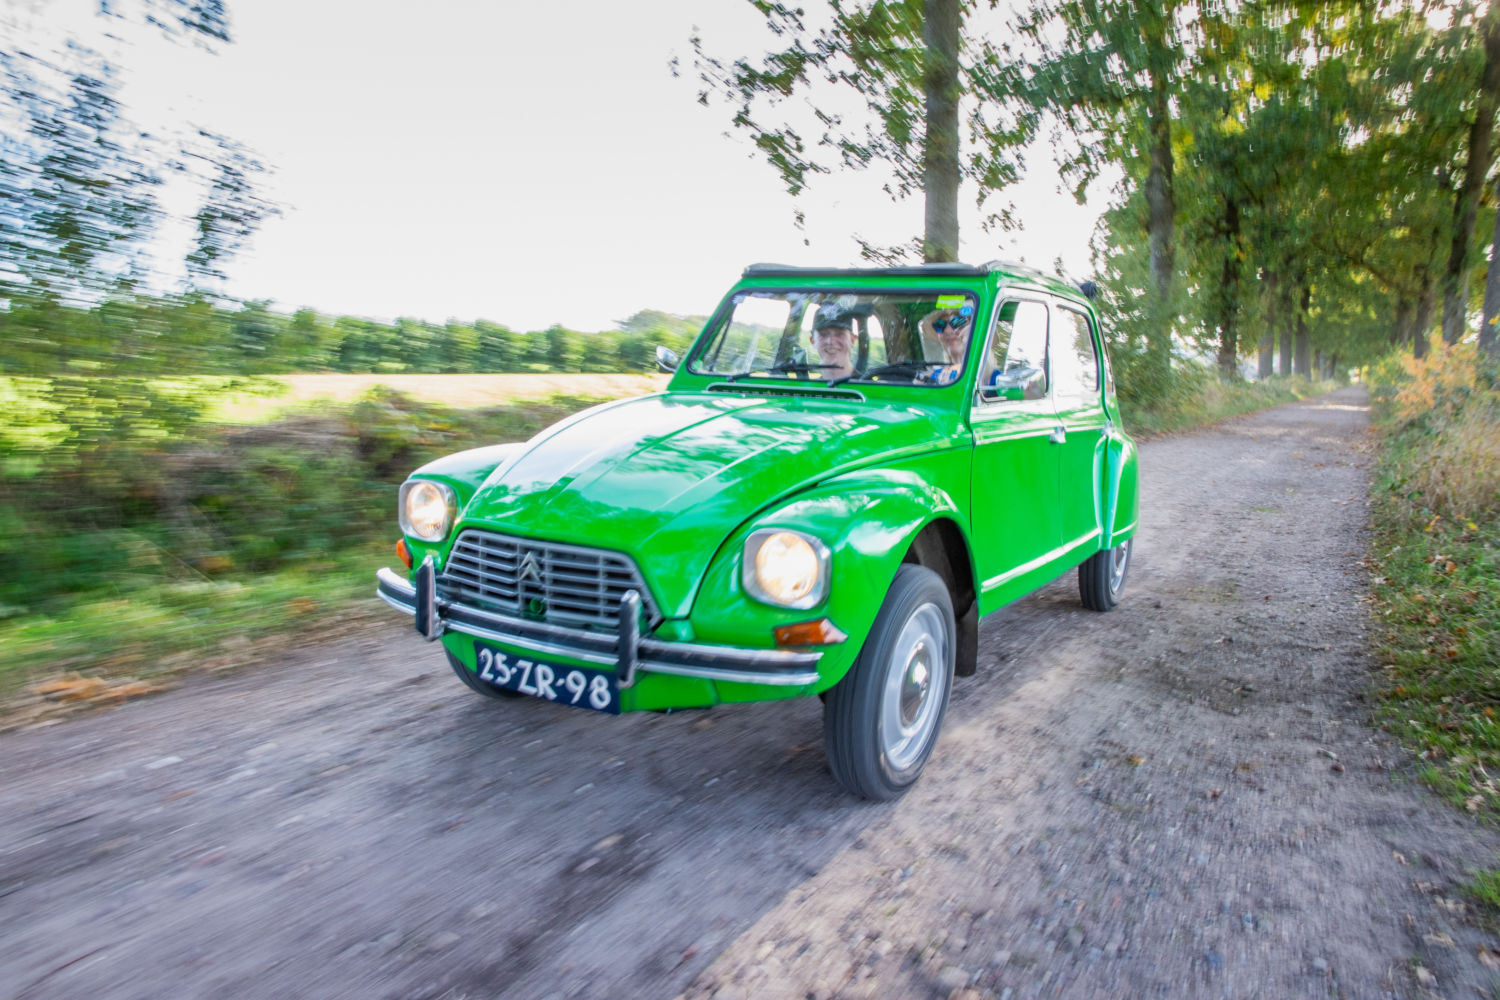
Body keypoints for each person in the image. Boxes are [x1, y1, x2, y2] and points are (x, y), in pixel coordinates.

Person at [916, 306, 972, 385]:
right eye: (940, 325)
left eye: (957, 323)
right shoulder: (931, 377)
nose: (947, 331)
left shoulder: (994, 379)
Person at [810, 304, 858, 381]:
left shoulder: (870, 388)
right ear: (812, 341)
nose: (830, 341)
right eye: (823, 334)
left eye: (839, 334)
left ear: (852, 340)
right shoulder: (808, 390)